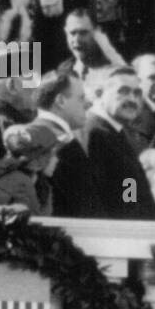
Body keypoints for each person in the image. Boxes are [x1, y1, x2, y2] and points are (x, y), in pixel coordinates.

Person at [84, 67, 155, 220]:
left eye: (137, 93)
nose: (132, 99)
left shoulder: (114, 132)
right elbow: (116, 198)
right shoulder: (95, 133)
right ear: (99, 94)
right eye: (123, 91)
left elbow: (128, 189)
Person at [31, 71, 101, 219]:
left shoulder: (39, 134)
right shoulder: (60, 142)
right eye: (81, 98)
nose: (89, 103)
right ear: (61, 101)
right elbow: (84, 209)